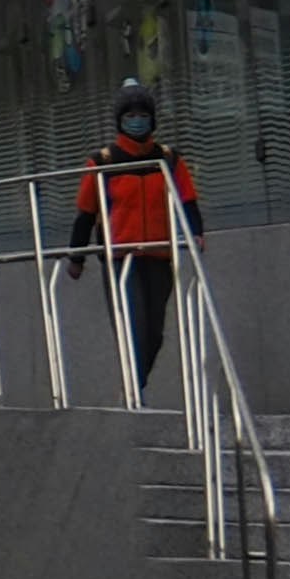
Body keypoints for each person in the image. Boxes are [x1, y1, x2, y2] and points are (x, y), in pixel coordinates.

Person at [66, 78, 205, 392]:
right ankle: (132, 393)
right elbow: (86, 214)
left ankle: (134, 386)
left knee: (154, 333)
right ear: (119, 120)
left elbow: (187, 199)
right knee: (134, 327)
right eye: (130, 115)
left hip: (159, 253)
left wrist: (196, 233)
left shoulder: (168, 159)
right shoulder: (103, 162)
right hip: (120, 258)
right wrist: (76, 257)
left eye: (143, 113)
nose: (137, 120)